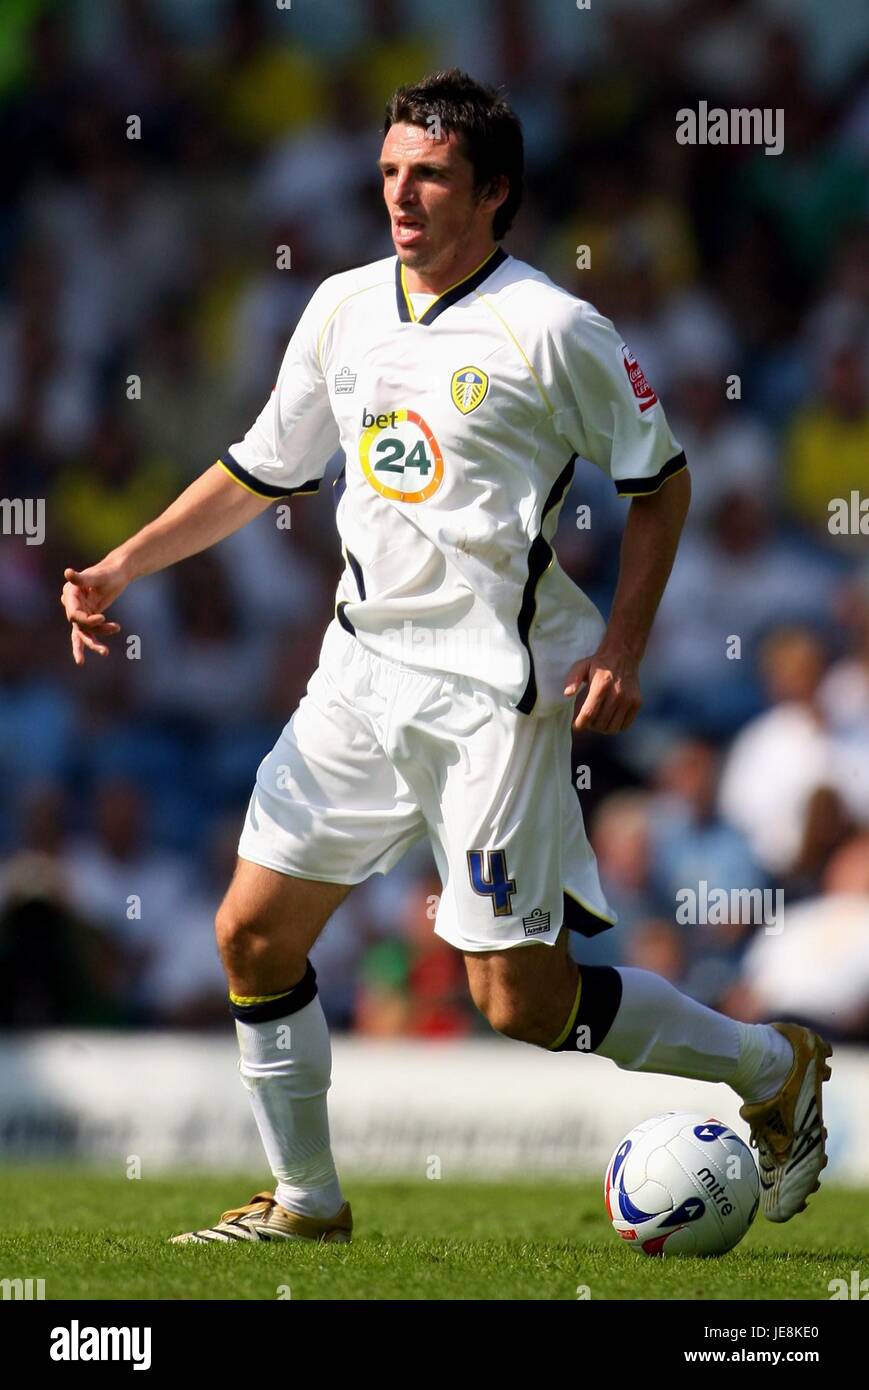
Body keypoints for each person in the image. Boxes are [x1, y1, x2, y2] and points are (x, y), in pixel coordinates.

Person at [60, 70, 830, 1246]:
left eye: (427, 176)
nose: (400, 197)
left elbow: (662, 483)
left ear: (494, 191)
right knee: (248, 932)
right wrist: (121, 566)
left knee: (518, 1002)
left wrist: (621, 646)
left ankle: (767, 1064)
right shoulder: (341, 308)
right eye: (387, 173)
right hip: (357, 677)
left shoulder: (553, 327)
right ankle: (307, 1203)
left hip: (492, 700)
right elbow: (257, 470)